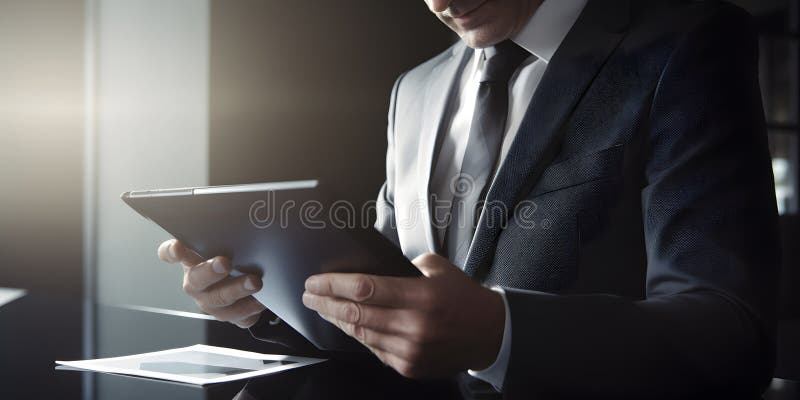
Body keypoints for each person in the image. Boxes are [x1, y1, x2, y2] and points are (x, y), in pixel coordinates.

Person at [158, 0, 781, 398]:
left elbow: (730, 337)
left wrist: (502, 334)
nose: (442, 0)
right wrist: (263, 304)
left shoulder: (684, 44)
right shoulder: (413, 90)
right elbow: (385, 296)